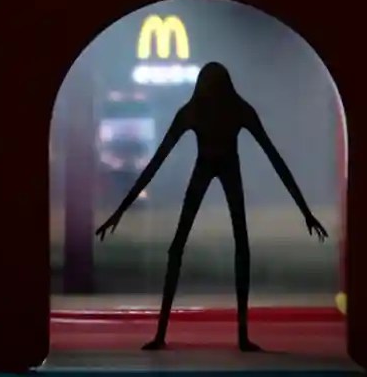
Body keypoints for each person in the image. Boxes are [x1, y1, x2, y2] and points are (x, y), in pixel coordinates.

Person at [95, 62, 328, 352]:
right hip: (215, 167)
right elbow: (156, 163)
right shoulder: (221, 110)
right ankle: (203, 335)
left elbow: (274, 158)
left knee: (216, 246)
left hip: (216, 167)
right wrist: (119, 212)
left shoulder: (206, 110)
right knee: (207, 246)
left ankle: (187, 335)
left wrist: (305, 212)